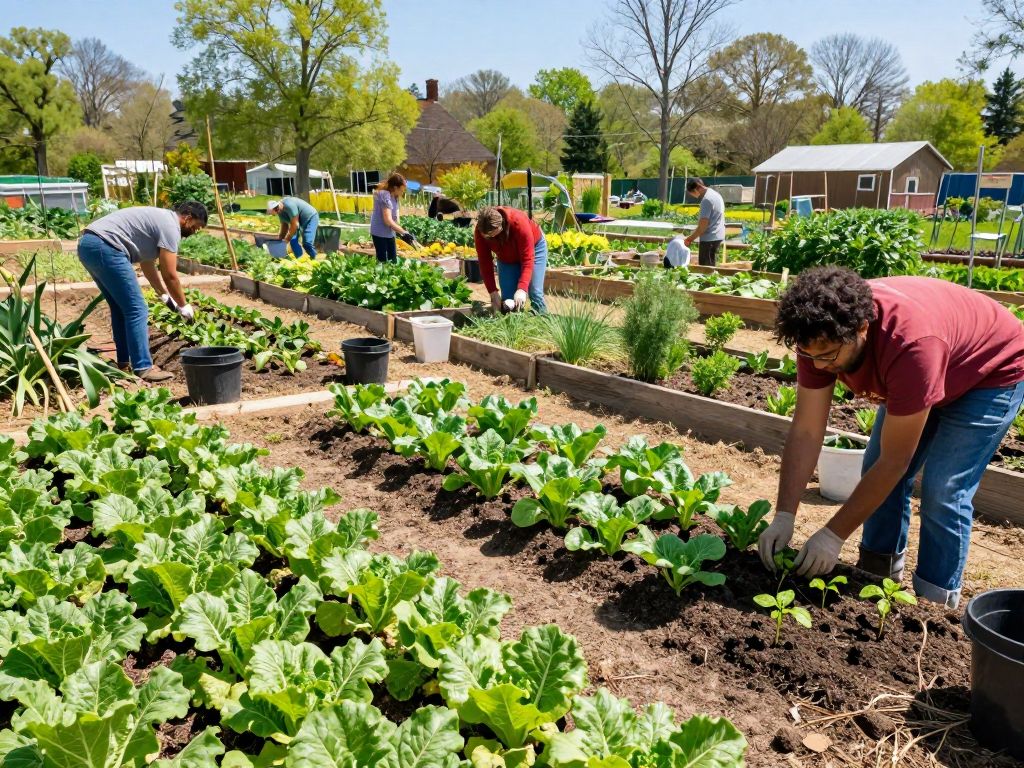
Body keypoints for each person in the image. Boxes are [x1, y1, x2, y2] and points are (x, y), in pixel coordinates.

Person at [757, 266, 1024, 609]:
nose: (819, 366)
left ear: (862, 329)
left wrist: (832, 534)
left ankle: (935, 606)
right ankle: (874, 579)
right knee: (874, 465)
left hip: (989, 371)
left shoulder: (909, 347)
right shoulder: (817, 334)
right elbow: (807, 430)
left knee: (944, 489)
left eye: (827, 356)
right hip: (933, 363)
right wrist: (785, 514)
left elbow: (896, 461)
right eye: (811, 356)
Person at [78, 201, 208, 383]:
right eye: (196, 227)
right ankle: (143, 367)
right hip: (107, 247)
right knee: (137, 309)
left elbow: (147, 264)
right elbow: (170, 274)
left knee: (120, 309)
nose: (195, 231)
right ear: (187, 218)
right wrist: (183, 304)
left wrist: (163, 294)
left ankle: (123, 363)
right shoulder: (171, 227)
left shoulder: (160, 220)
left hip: (89, 244)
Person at [474, 206, 547, 314]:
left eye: (493, 235)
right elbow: (485, 262)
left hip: (534, 249)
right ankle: (514, 326)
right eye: (488, 237)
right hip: (506, 257)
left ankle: (542, 322)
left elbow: (528, 259)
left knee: (535, 292)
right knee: (508, 301)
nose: (491, 238)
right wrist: (493, 293)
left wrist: (522, 289)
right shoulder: (481, 231)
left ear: (501, 225)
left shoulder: (518, 222)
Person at [370, 173, 414, 262]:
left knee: (393, 260)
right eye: (401, 190)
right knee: (383, 261)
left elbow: (394, 218)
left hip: (389, 233)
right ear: (395, 188)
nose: (402, 192)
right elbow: (387, 220)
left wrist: (401, 231)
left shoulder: (394, 196)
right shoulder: (384, 195)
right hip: (380, 232)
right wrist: (403, 232)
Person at [683, 178, 725, 266]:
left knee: (705, 270)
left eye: (691, 192)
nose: (693, 195)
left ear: (697, 188)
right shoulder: (716, 195)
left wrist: (689, 239)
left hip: (708, 240)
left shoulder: (706, 200)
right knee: (713, 268)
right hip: (718, 237)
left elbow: (703, 226)